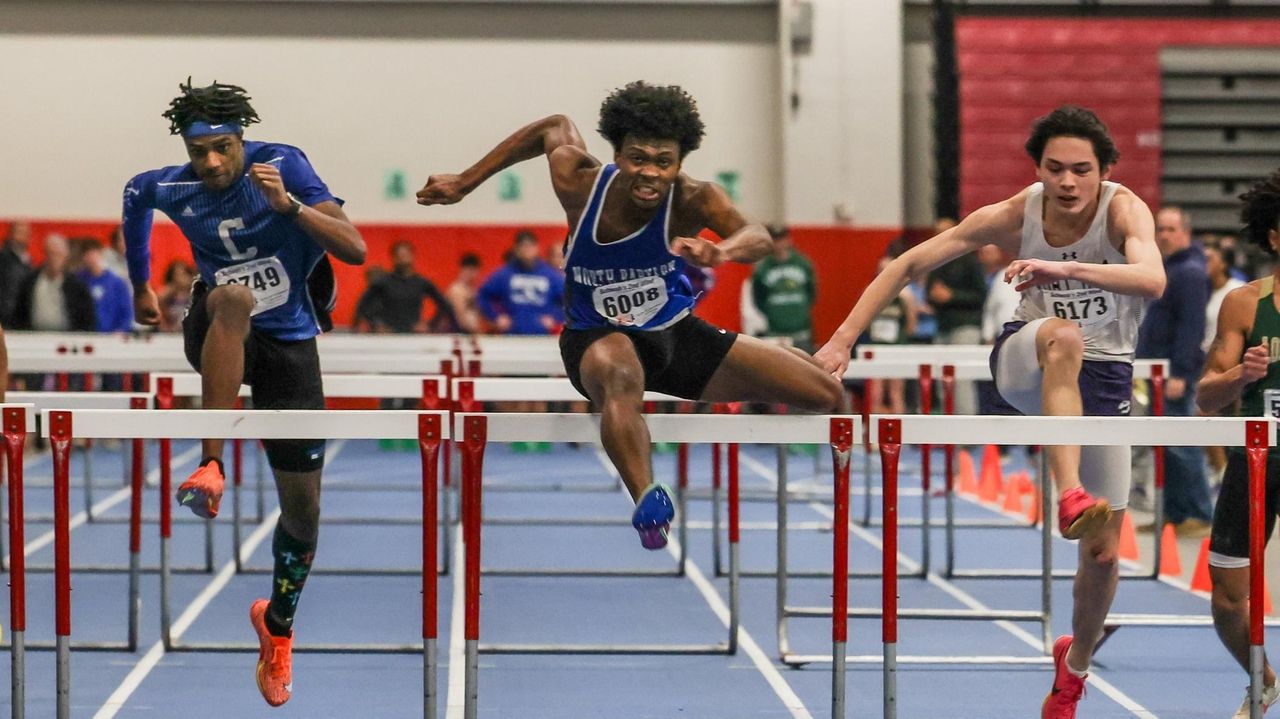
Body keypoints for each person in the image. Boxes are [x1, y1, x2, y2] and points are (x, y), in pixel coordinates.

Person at [813, 105, 1164, 719]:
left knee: (1105, 555)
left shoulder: (1124, 209)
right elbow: (908, 264)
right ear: (1039, 168)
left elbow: (1154, 279)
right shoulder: (1015, 212)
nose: (1068, 183)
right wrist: (843, 339)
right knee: (1063, 338)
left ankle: (1073, 667)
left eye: (1081, 170)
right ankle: (1067, 492)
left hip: (1104, 381)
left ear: (1104, 171)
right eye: (1054, 169)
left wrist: (1062, 266)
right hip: (1028, 359)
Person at [417, 81, 843, 549]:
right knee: (621, 372)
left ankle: (668, 386)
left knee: (822, 391)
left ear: (680, 163)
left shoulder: (694, 198)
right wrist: (464, 181)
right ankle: (647, 500)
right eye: (638, 158)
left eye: (664, 162)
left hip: (674, 335)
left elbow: (757, 235)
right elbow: (552, 128)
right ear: (616, 155)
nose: (651, 173)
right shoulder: (580, 182)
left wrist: (721, 251)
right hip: (597, 339)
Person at [122, 79, 365, 707]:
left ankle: (278, 628)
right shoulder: (171, 183)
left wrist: (291, 209)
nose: (209, 164)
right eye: (197, 149)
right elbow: (133, 199)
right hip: (217, 333)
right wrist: (142, 288)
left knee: (304, 514)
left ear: (243, 141)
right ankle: (210, 463)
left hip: (289, 345)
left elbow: (356, 249)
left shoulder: (283, 165)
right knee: (231, 296)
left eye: (222, 149)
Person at [1198, 168, 1280, 718]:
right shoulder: (1245, 304)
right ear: (1273, 236)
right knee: (1227, 599)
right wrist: (1241, 378)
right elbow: (1206, 395)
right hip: (1259, 459)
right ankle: (1264, 680)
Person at [1135, 206, 1214, 537]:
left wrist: (1180, 372)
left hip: (1173, 372)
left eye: (1170, 229)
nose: (1164, 235)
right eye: (1160, 230)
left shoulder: (1190, 272)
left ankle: (1197, 512)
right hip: (1155, 369)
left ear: (1185, 233)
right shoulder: (1170, 269)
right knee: (1164, 444)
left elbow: (1191, 326)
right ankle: (1172, 512)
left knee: (1181, 444)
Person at [352, 240, 457, 333]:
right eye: (399, 255)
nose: (403, 258)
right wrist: (376, 324)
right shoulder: (383, 282)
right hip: (389, 335)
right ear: (394, 258)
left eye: (406, 254)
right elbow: (362, 306)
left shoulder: (422, 283)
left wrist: (430, 324)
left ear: (412, 256)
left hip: (414, 333)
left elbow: (445, 305)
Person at [477, 230, 565, 335]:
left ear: (537, 248)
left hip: (542, 336)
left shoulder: (550, 275)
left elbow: (571, 300)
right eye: (523, 246)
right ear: (516, 249)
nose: (527, 250)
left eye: (530, 246)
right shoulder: (504, 274)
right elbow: (482, 296)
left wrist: (555, 317)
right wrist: (496, 317)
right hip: (512, 335)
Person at [10, 234, 96, 333]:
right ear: (44, 254)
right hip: (34, 339)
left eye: (58, 254)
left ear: (66, 256)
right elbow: (18, 314)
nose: (54, 258)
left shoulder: (77, 286)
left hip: (68, 340)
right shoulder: (30, 282)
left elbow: (88, 319)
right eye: (50, 253)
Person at [751, 224, 818, 352]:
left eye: (781, 239)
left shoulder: (803, 264)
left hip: (801, 331)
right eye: (775, 240)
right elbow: (758, 298)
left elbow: (812, 293)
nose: (778, 244)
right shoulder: (762, 268)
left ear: (788, 240)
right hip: (775, 333)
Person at [77, 241, 135, 334]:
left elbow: (127, 311)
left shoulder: (117, 283)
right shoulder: (77, 281)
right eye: (87, 254)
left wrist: (121, 330)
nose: (91, 258)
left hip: (112, 337)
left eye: (93, 253)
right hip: (85, 335)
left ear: (100, 254)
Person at [0, 220, 33, 325]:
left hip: (22, 316)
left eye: (26, 233)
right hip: (8, 317)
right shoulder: (4, 259)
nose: (23, 237)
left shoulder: (27, 260)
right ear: (11, 235)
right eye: (20, 233)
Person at [445, 252, 483, 334]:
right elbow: (460, 315)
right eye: (469, 270)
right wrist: (476, 332)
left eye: (475, 271)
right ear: (462, 269)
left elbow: (476, 314)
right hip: (457, 333)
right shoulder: (456, 290)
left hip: (470, 333)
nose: (473, 274)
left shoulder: (474, 291)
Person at [157, 260, 196, 333]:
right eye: (176, 275)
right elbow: (159, 299)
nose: (179, 278)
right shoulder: (169, 293)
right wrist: (174, 286)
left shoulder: (193, 292)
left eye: (183, 274)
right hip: (172, 330)